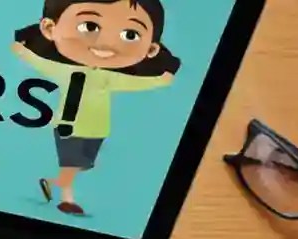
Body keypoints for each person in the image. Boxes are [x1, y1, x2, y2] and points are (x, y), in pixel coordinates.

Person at [13, 0, 182, 215]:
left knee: (81, 165)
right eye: (90, 27)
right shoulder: (65, 70)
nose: (106, 43)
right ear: (49, 29)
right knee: (71, 164)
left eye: (130, 35)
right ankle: (67, 199)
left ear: (151, 49)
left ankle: (52, 182)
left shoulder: (109, 78)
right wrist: (21, 50)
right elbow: (42, 63)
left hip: (98, 129)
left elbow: (136, 83)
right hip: (68, 125)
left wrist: (162, 79)